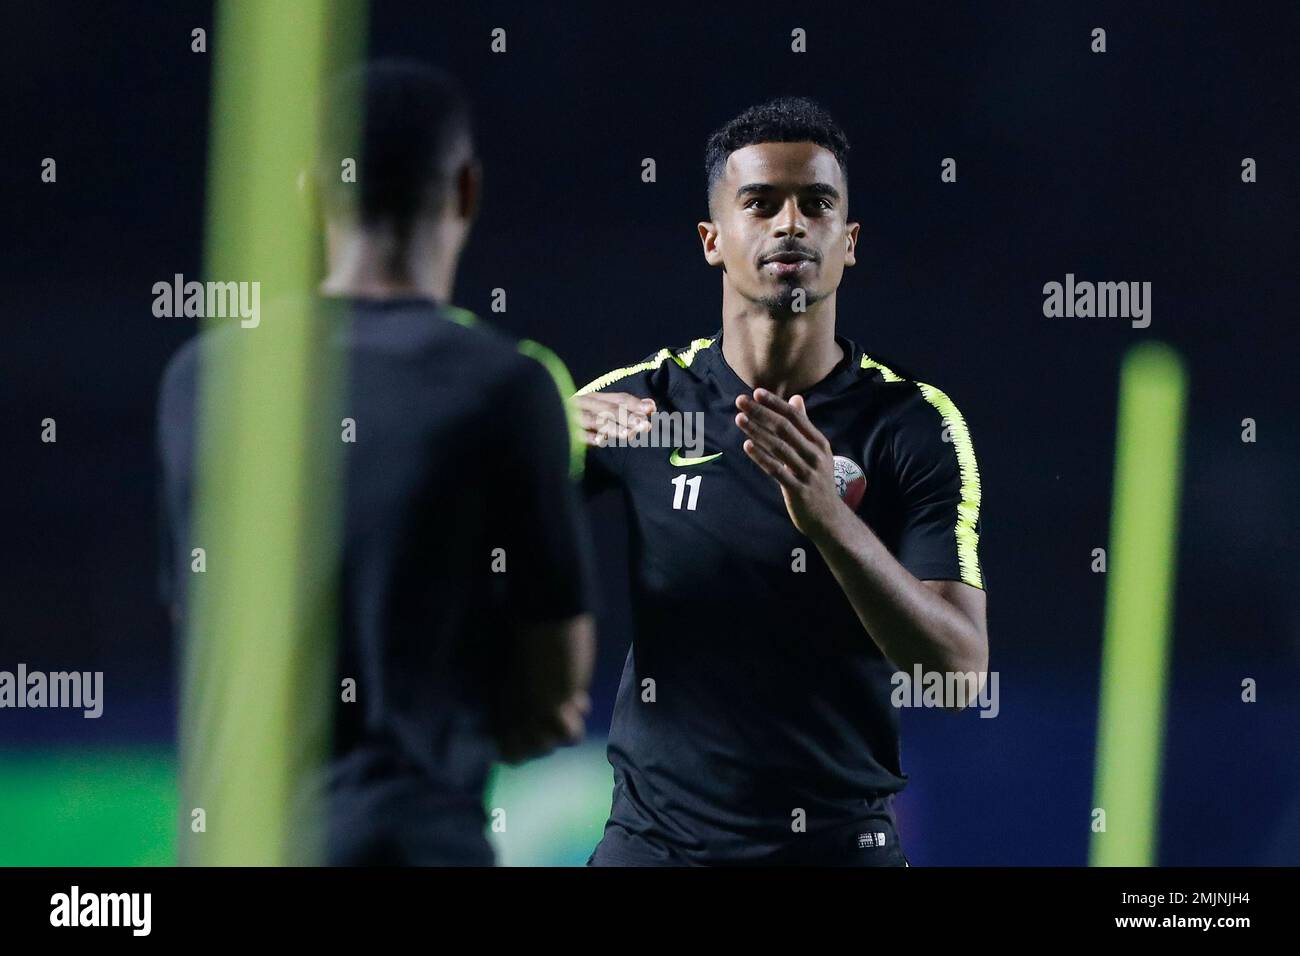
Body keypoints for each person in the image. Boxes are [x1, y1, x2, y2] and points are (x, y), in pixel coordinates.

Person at [158, 60, 594, 865]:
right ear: (465, 190)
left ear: (310, 193)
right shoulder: (507, 386)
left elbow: (198, 624)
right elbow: (549, 700)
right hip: (411, 844)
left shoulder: (202, 377)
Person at [575, 97, 989, 866]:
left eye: (817, 204)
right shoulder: (641, 403)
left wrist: (829, 520)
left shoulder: (912, 424)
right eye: (760, 203)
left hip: (836, 847)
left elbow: (958, 676)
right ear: (713, 240)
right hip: (657, 847)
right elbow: (464, 523)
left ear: (849, 241)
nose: (790, 224)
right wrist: (535, 431)